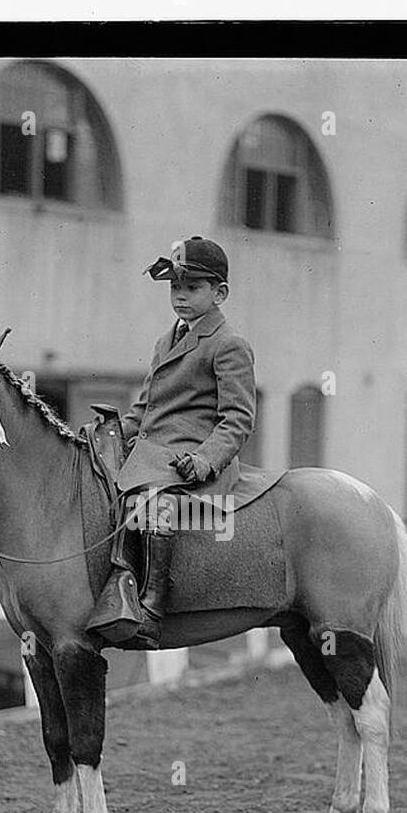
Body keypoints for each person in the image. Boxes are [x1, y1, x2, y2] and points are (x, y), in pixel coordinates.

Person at [85, 235, 257, 649]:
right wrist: (107, 435)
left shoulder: (228, 345)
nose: (180, 296)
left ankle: (151, 608)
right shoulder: (165, 341)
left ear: (220, 294)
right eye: (175, 287)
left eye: (192, 288)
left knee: (152, 506)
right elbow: (143, 410)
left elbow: (238, 419)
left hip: (193, 463)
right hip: (152, 457)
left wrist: (205, 459)